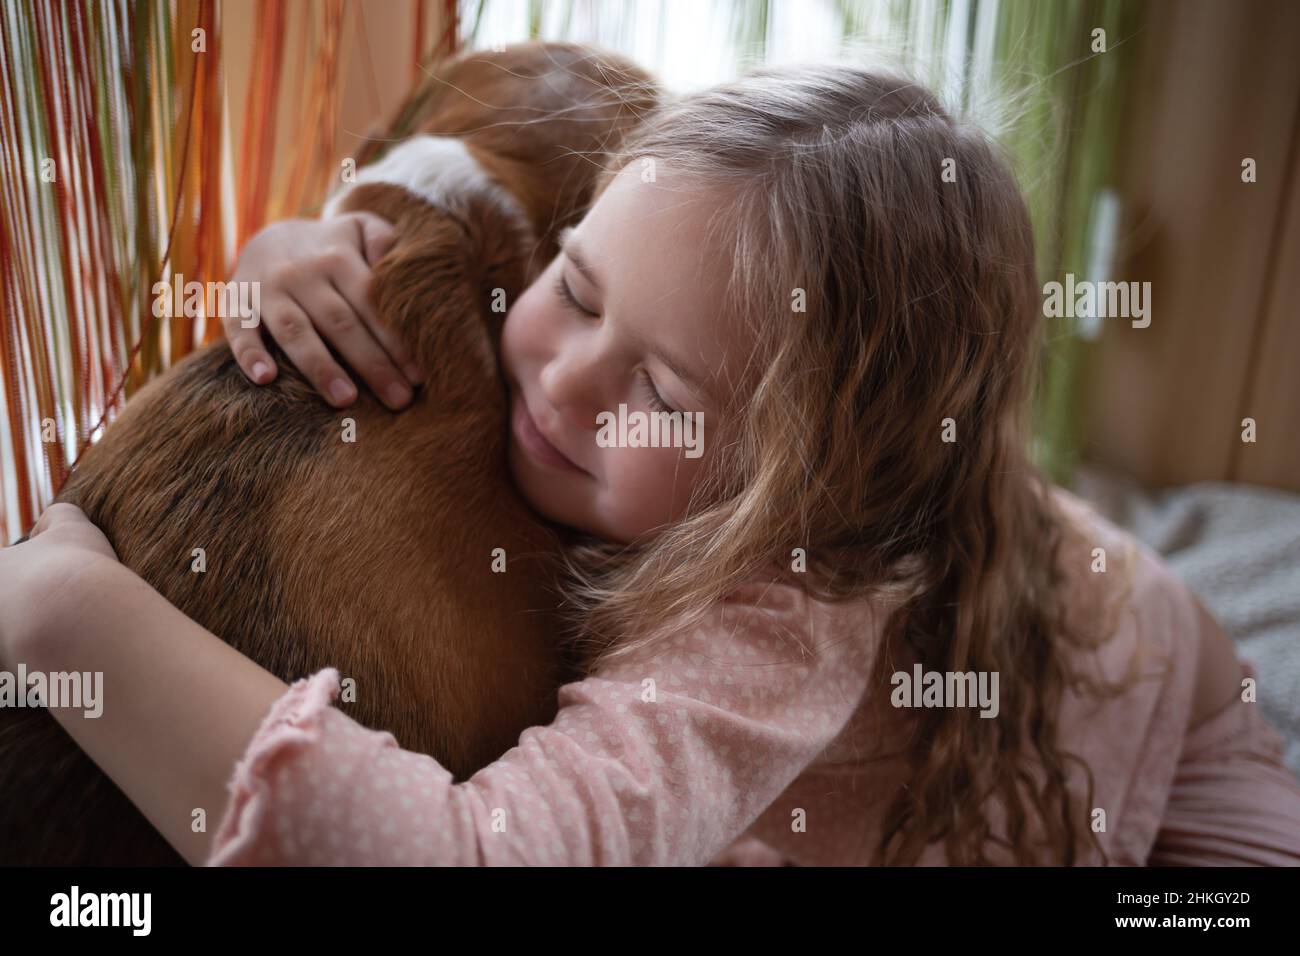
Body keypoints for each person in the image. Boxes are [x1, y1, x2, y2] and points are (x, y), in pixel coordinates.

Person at [4, 61, 1299, 866]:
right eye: (572, 284)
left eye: (661, 391)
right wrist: (305, 242)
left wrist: (63, 604)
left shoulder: (781, 628)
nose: (560, 374)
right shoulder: (630, 361)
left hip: (1168, 710)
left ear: (797, 493)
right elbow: (475, 183)